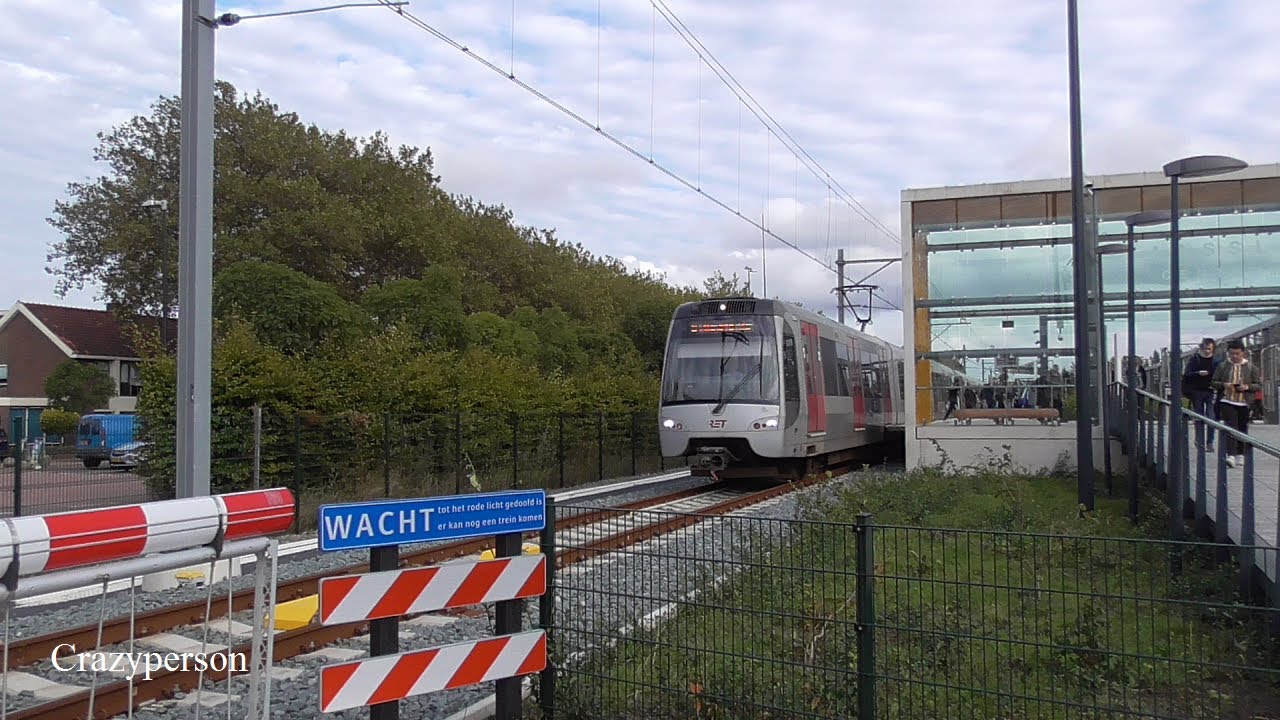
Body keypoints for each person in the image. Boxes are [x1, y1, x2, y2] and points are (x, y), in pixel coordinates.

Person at [1212, 340, 1261, 468]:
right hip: (1227, 400)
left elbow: (1258, 385)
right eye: (1231, 354)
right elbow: (1214, 382)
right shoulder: (1222, 366)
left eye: (1237, 353)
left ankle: (1240, 454)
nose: (1234, 356)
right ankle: (1231, 455)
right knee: (1231, 426)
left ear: (1242, 353)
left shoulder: (1251, 368)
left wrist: (1246, 387)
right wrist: (1224, 385)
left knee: (1242, 428)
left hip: (1244, 402)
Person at [1183, 338, 1221, 451]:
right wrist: (1198, 373)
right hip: (1197, 391)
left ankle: (1209, 442)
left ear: (1213, 349)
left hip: (1210, 391)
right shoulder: (1195, 360)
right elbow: (1187, 374)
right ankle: (1199, 441)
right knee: (1199, 416)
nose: (1207, 351)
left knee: (1211, 417)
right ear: (1201, 348)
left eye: (1209, 349)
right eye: (1205, 349)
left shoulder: (1216, 361)